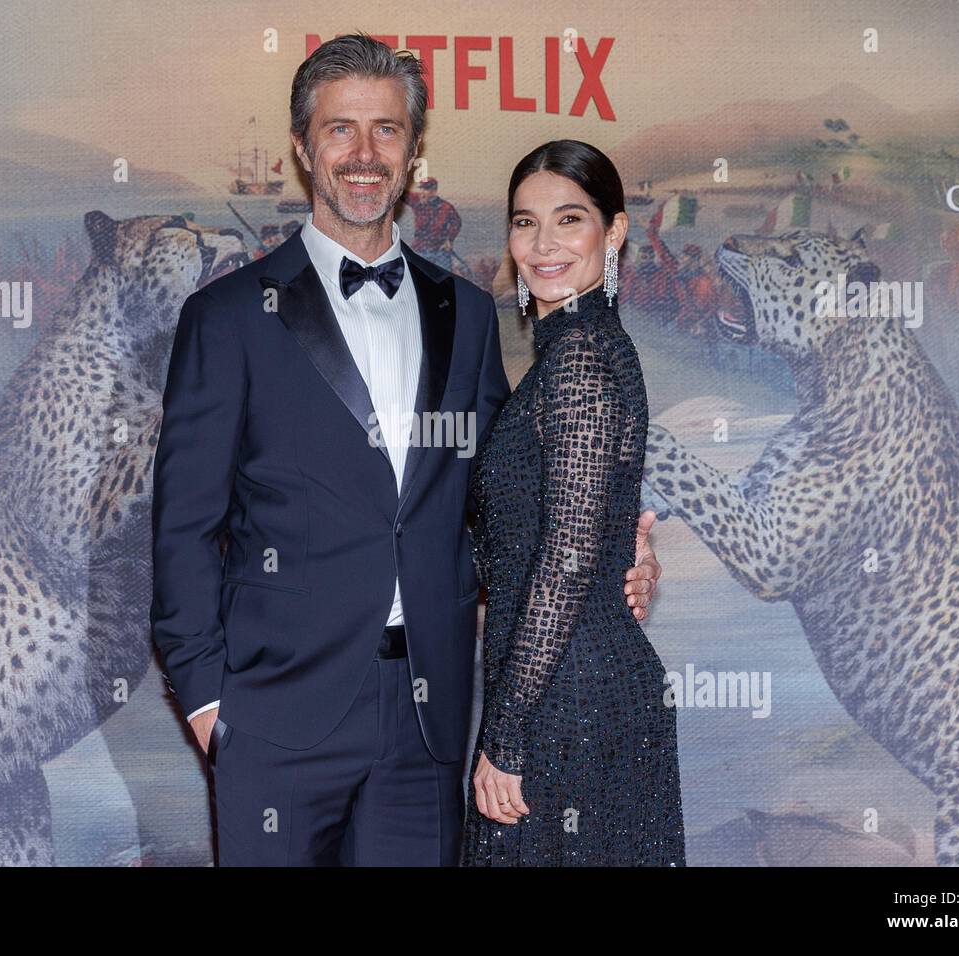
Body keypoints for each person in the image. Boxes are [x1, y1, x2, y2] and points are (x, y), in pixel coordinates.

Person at [150, 33, 662, 867]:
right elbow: (182, 529)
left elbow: (506, 500)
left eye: (386, 130)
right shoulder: (230, 318)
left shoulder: (464, 313)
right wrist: (210, 703)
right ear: (302, 146)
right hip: (274, 714)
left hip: (428, 718)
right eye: (340, 129)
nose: (363, 153)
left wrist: (617, 564)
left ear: (414, 150)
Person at [462, 140, 686, 866]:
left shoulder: (580, 359)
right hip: (587, 690)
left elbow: (562, 560)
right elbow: (548, 535)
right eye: (525, 224)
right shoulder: (590, 347)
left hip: (566, 707)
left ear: (614, 232)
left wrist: (507, 736)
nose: (543, 244)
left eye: (569, 219)